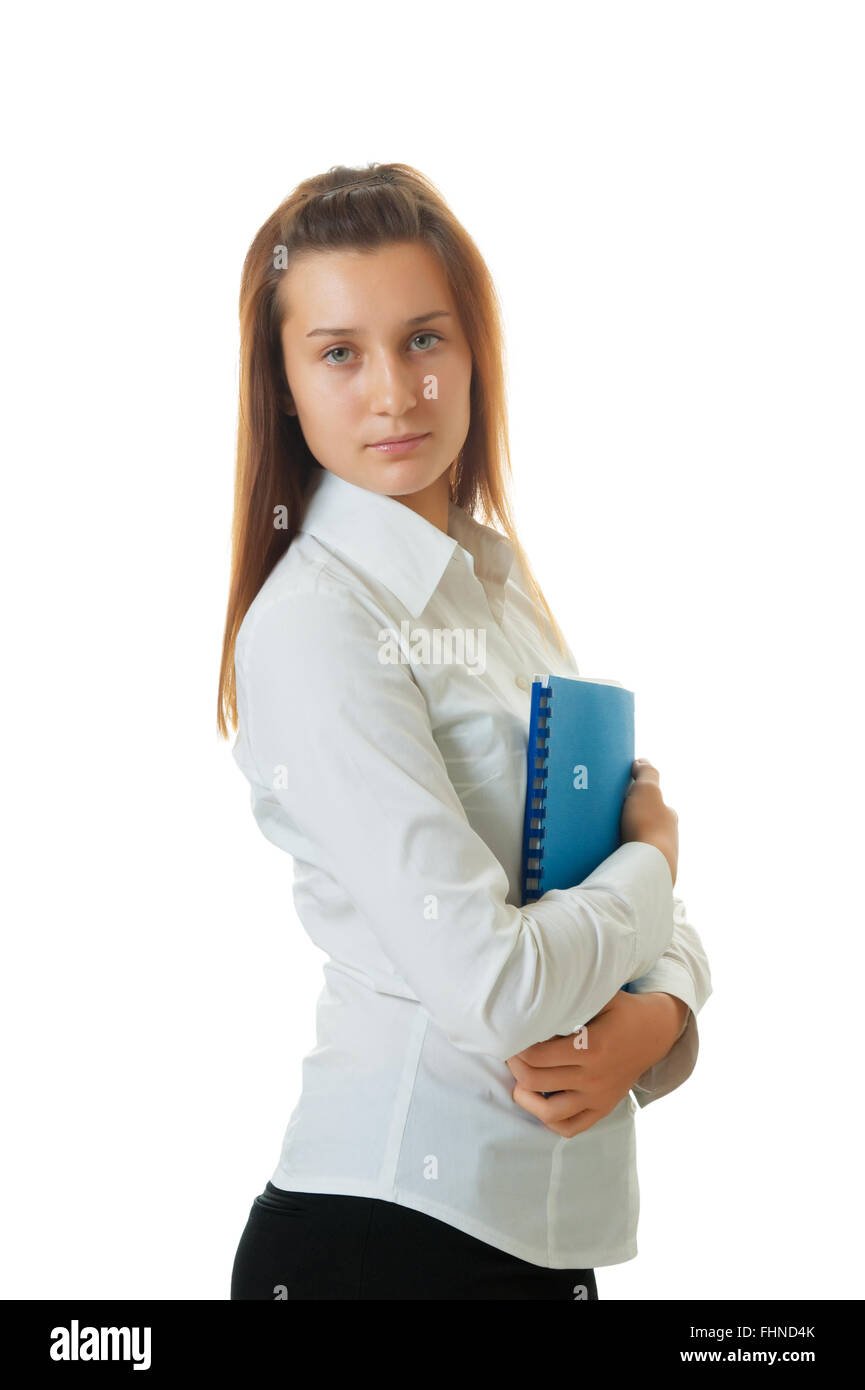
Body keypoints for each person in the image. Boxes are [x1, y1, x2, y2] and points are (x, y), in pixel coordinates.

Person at [217, 162, 712, 1300]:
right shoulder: (316, 627)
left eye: (425, 339)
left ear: (474, 353)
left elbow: (606, 897)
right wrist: (659, 859)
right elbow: (495, 983)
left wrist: (663, 1009)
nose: (394, 390)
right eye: (339, 352)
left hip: (546, 1241)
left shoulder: (495, 587)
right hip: (386, 1237)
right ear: (285, 385)